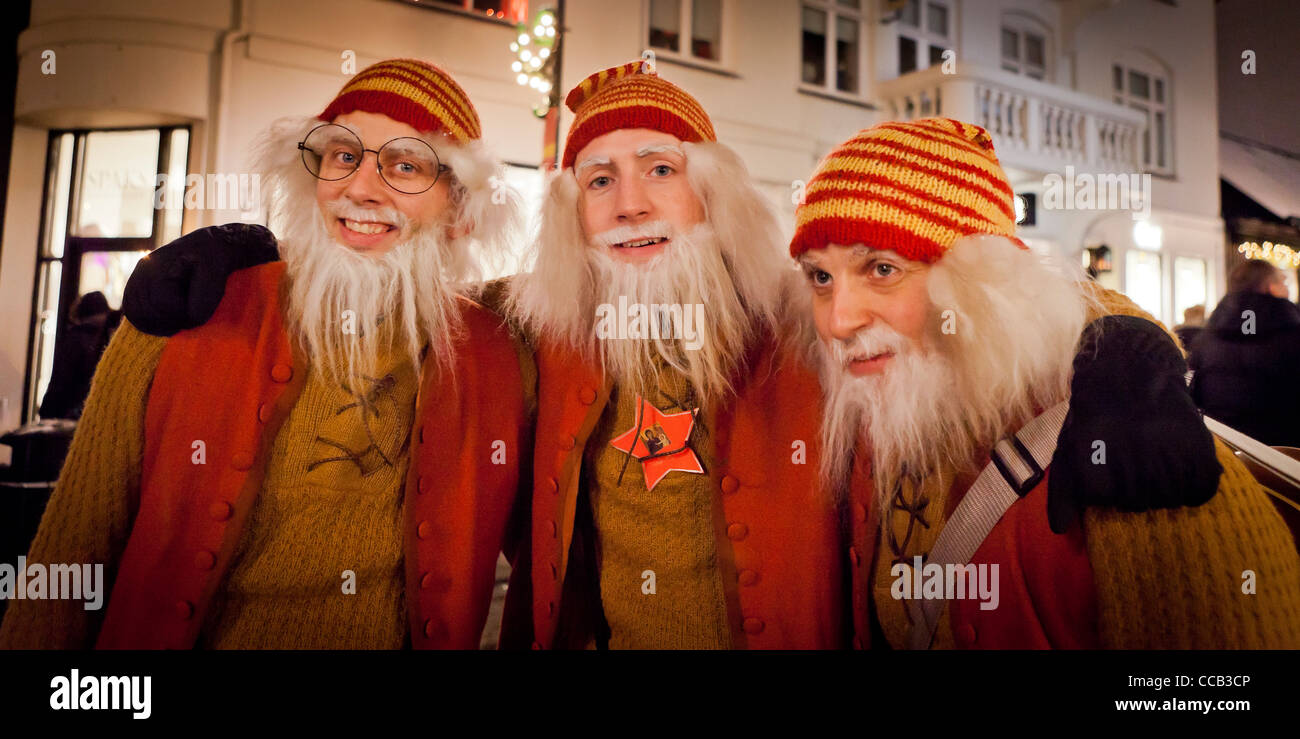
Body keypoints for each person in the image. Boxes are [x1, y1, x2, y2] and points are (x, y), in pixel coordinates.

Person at [0, 59, 531, 649]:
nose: (361, 187)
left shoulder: (500, 353)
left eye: (406, 166)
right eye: (344, 156)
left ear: (459, 210)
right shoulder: (187, 308)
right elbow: (72, 547)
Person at [791, 118, 1300, 648]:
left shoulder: (1127, 443)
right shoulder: (867, 410)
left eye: (882, 268)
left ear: (980, 279)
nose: (837, 321)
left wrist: (1124, 337)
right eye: (820, 277)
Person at [499, 60, 853, 649]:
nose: (630, 206)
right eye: (600, 181)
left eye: (660, 169)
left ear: (712, 193)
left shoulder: (808, 326)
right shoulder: (537, 334)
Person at [1190, 259, 1300, 446]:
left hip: (1225, 446)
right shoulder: (1292, 334)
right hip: (1283, 452)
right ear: (1272, 288)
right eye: (1284, 283)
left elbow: (1198, 393)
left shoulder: (1206, 338)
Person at [38, 291, 120, 420]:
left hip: (68, 416)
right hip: (97, 416)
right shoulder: (112, 340)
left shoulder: (74, 340)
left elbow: (60, 382)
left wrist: (47, 413)